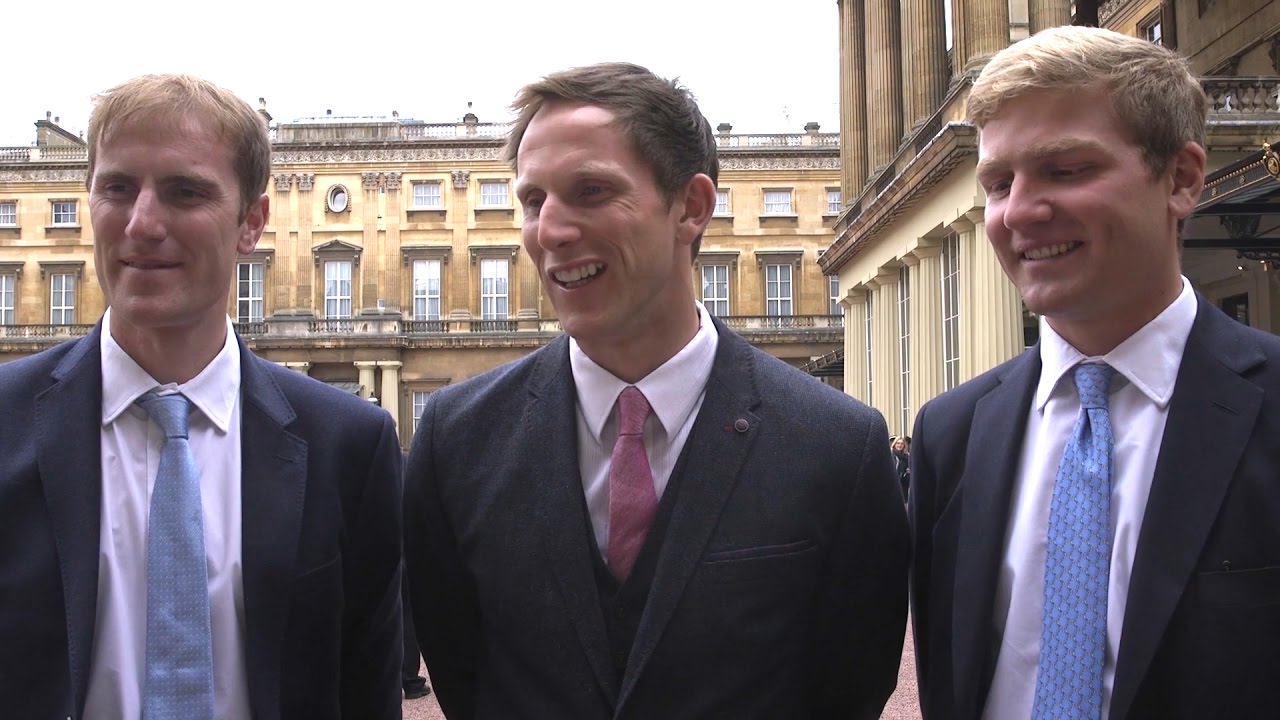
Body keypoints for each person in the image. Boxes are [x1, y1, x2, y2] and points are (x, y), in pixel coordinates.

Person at [404, 62, 909, 719]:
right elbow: (463, 673)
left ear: (691, 208)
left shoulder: (840, 446)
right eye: (533, 201)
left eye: (590, 191)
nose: (549, 231)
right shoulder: (455, 439)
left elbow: (849, 689)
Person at [0, 74, 403, 719]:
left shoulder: (350, 445)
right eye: (117, 188)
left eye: (184, 192)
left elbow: (365, 693)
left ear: (252, 222)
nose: (142, 223)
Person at [910, 26, 1280, 720]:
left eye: (1066, 170)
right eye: (998, 183)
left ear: (1182, 179)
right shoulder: (951, 433)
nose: (1019, 211)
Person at [891, 435, 911, 501]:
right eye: (898, 443)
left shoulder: (907, 457)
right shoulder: (890, 455)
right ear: (894, 444)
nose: (900, 445)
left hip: (903, 486)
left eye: (902, 444)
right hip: (892, 485)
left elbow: (909, 470)